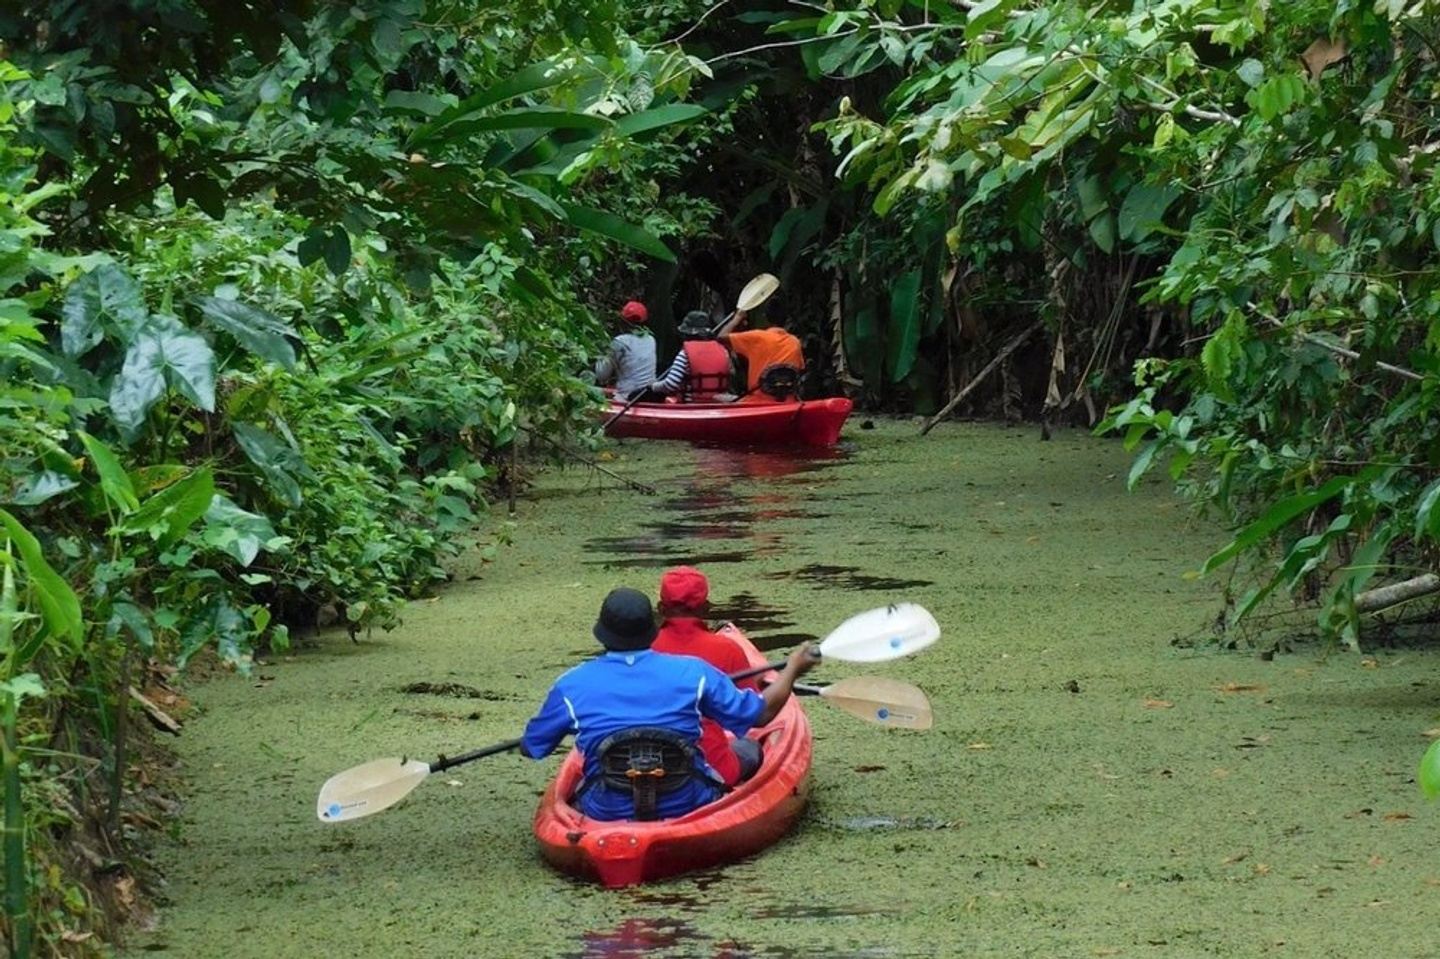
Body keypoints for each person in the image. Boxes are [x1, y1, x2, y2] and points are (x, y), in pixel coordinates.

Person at [521, 587, 816, 821]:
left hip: (605, 808)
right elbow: (762, 715)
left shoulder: (571, 684)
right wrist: (792, 669)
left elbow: (534, 748)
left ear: (602, 634)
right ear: (653, 628)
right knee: (750, 748)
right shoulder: (694, 672)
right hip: (688, 800)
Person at [651, 566, 759, 786]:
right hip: (714, 767)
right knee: (751, 746)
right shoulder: (727, 649)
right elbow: (752, 715)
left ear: (661, 608)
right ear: (707, 608)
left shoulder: (643, 650)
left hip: (650, 764)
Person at [715, 307, 804, 403]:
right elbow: (800, 368)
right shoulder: (795, 342)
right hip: (788, 402)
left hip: (757, 402)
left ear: (765, 317)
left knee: (717, 398)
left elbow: (721, 337)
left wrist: (737, 318)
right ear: (787, 320)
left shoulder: (757, 338)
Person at [647, 310, 736, 403]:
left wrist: (653, 386)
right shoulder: (724, 351)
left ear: (687, 334)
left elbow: (670, 384)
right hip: (719, 405)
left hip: (691, 406)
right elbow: (731, 373)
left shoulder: (684, 354)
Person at [594, 300, 657, 400]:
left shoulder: (619, 342)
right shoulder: (651, 340)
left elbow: (602, 375)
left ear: (623, 322)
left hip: (628, 397)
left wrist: (600, 355)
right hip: (649, 394)